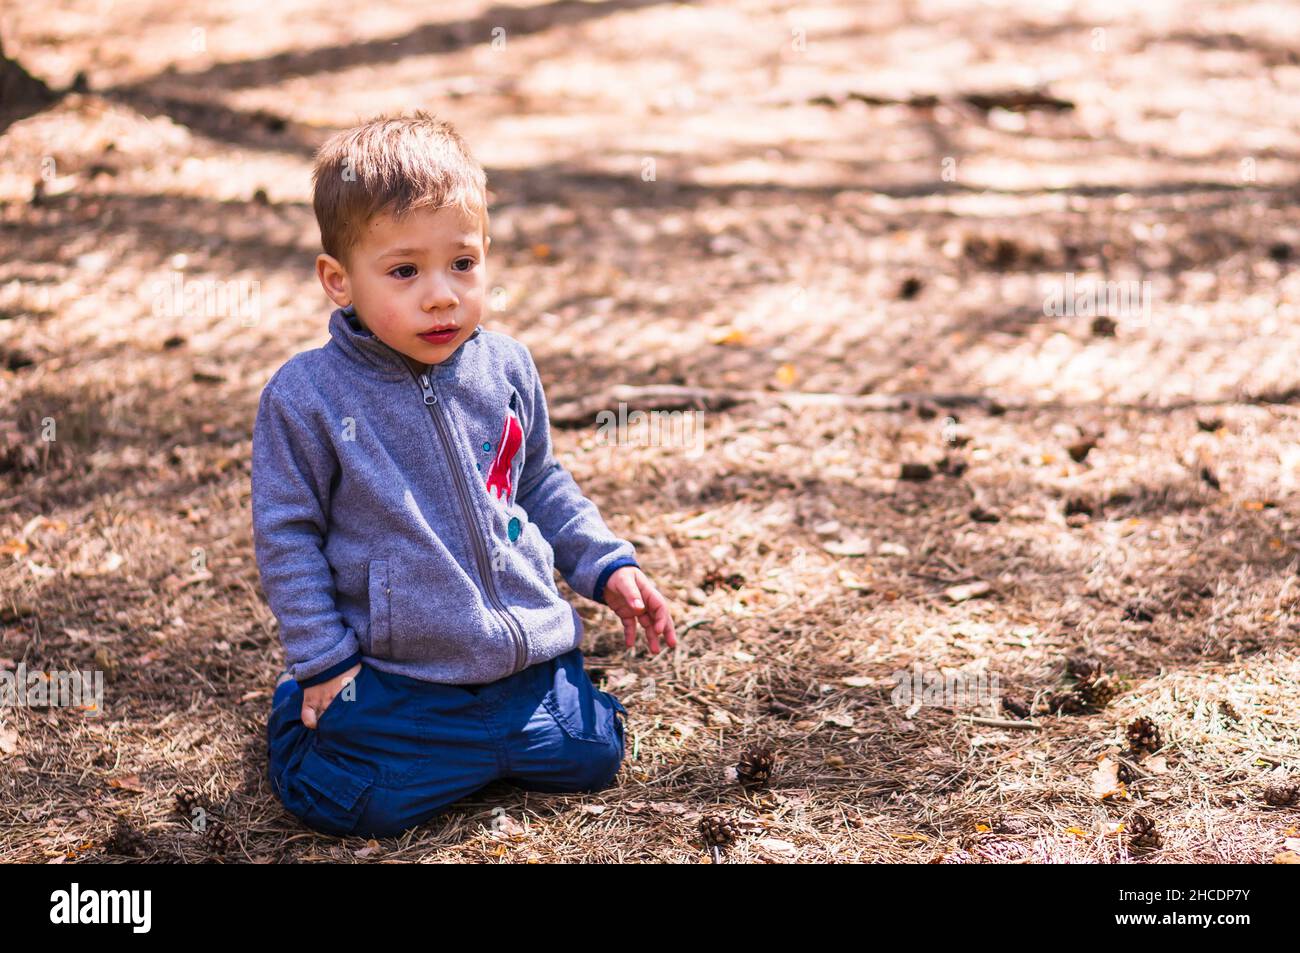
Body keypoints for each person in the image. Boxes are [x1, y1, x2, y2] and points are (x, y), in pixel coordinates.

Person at [252, 111, 677, 837]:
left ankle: (506, 728)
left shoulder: (505, 366)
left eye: (463, 263)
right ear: (339, 280)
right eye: (404, 271)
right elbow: (287, 536)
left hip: (520, 658)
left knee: (593, 755)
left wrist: (604, 565)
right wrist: (324, 663)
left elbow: (539, 480)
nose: (442, 294)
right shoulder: (307, 398)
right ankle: (306, 720)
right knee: (365, 804)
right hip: (399, 673)